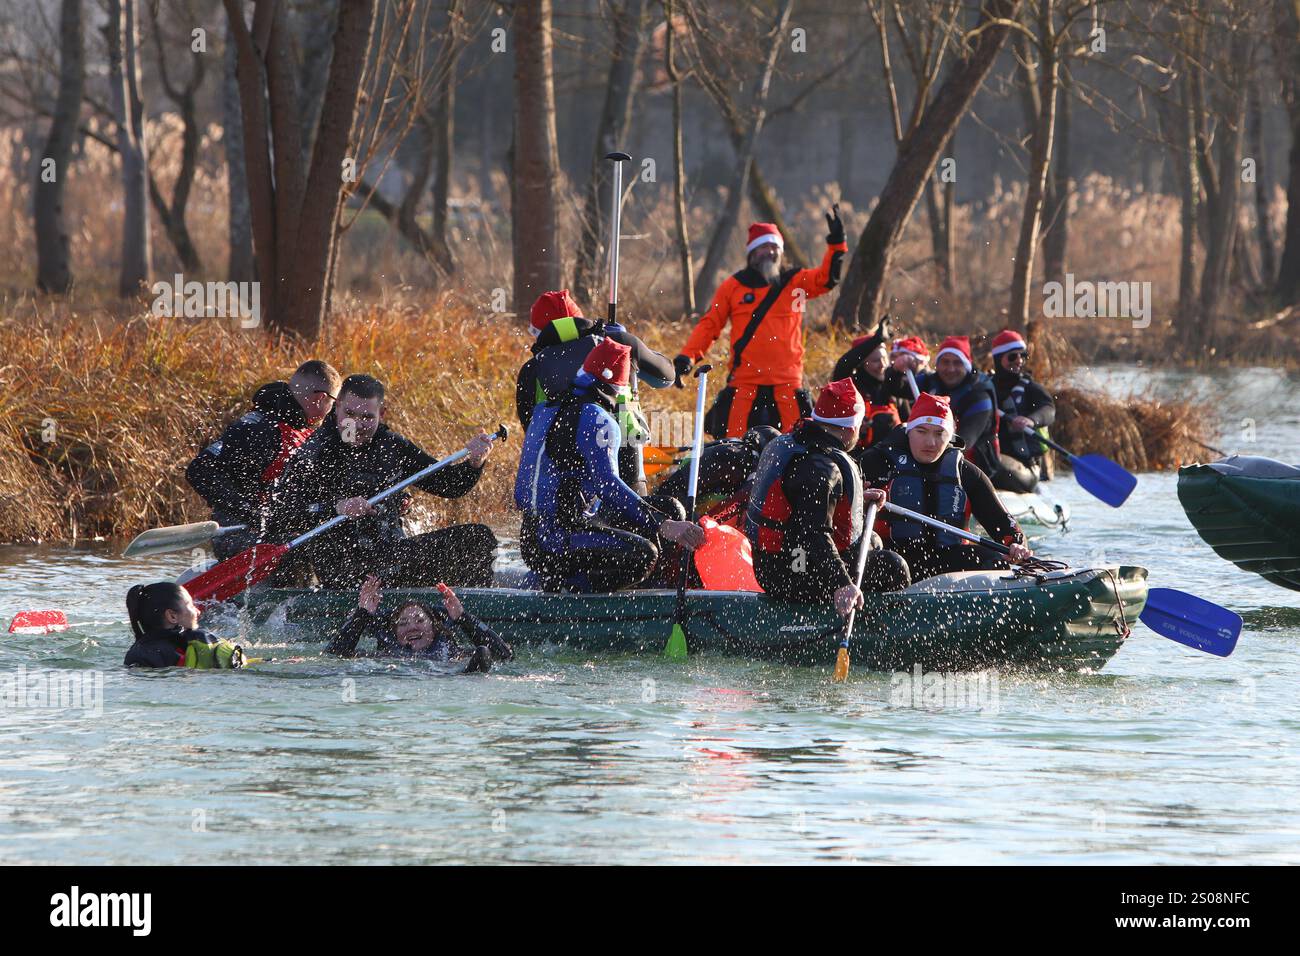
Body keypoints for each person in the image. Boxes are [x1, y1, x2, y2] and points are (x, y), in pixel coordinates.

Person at [263, 373, 498, 589]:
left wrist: (474, 463)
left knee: (478, 538)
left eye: (367, 417)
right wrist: (337, 507)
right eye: (350, 415)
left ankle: (463, 615)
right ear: (337, 409)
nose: (356, 425)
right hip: (344, 570)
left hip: (392, 556)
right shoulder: (316, 452)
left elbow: (450, 485)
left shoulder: (392, 446)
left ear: (381, 414)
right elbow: (282, 515)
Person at [515, 338, 705, 593]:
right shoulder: (598, 419)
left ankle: (570, 581)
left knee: (668, 507)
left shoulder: (545, 408)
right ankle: (570, 593)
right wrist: (663, 525)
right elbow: (608, 487)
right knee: (644, 555)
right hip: (555, 542)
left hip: (533, 537)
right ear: (619, 387)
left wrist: (659, 517)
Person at [675, 209, 850, 438]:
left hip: (788, 386)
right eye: (764, 247)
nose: (770, 252)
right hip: (745, 386)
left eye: (775, 247)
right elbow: (710, 324)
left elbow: (827, 279)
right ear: (751, 252)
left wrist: (836, 244)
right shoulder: (732, 286)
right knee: (734, 448)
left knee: (797, 449)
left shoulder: (794, 281)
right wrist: (687, 357)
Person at [746, 378, 910, 615]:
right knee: (892, 566)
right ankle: (881, 626)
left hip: (782, 561)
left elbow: (801, 504)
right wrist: (842, 584)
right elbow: (813, 532)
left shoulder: (802, 442)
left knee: (871, 540)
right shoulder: (822, 468)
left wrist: (856, 498)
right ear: (852, 427)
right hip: (791, 571)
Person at [857, 393, 1033, 582]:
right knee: (891, 565)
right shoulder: (874, 462)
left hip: (946, 557)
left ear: (950, 436)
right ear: (909, 431)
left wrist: (1016, 544)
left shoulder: (966, 473)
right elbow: (840, 515)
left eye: (939, 433)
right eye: (921, 432)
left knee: (995, 562)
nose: (930, 442)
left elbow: (1003, 523)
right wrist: (860, 500)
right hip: (894, 557)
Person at [186, 360, 341, 559]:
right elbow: (198, 470)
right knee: (307, 550)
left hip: (270, 530)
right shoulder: (260, 428)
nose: (332, 410)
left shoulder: (295, 425)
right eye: (334, 403)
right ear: (321, 398)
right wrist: (250, 512)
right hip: (240, 535)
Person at [514, 289, 674, 429]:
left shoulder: (531, 370)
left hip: (555, 460)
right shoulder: (617, 344)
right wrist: (628, 342)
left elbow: (530, 431)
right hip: (621, 455)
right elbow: (666, 378)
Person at [327, 575, 513, 673]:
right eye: (403, 623)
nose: (412, 627)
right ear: (395, 634)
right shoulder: (383, 657)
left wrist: (462, 617)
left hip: (452, 684)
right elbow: (334, 654)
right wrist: (362, 614)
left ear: (434, 628)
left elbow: (505, 655)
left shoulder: (455, 656)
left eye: (420, 620)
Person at [654, 425, 780, 524]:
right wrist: (705, 524)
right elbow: (741, 498)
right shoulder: (743, 458)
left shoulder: (733, 445)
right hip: (674, 503)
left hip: (670, 498)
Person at [915, 335, 1001, 479]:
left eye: (957, 363)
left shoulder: (980, 396)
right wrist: (898, 369)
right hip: (936, 453)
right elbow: (896, 386)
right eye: (945, 362)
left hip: (976, 465)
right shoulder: (930, 381)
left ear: (966, 365)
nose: (950, 369)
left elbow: (964, 441)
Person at [989, 329, 1056, 493]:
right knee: (984, 459)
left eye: (1023, 355)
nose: (1018, 361)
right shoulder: (985, 388)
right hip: (993, 458)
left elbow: (1048, 410)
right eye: (1012, 356)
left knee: (991, 462)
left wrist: (1031, 420)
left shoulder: (1030, 388)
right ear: (998, 359)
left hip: (1025, 468)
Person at [831, 317, 910, 450]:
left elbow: (910, 425)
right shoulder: (851, 386)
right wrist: (877, 339)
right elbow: (843, 365)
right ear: (862, 364)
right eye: (875, 361)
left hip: (894, 459)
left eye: (885, 358)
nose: (882, 365)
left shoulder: (893, 385)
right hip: (859, 456)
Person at [124, 582, 245, 669]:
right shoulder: (194, 642)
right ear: (172, 616)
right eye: (191, 605)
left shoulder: (136, 653)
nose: (198, 611)